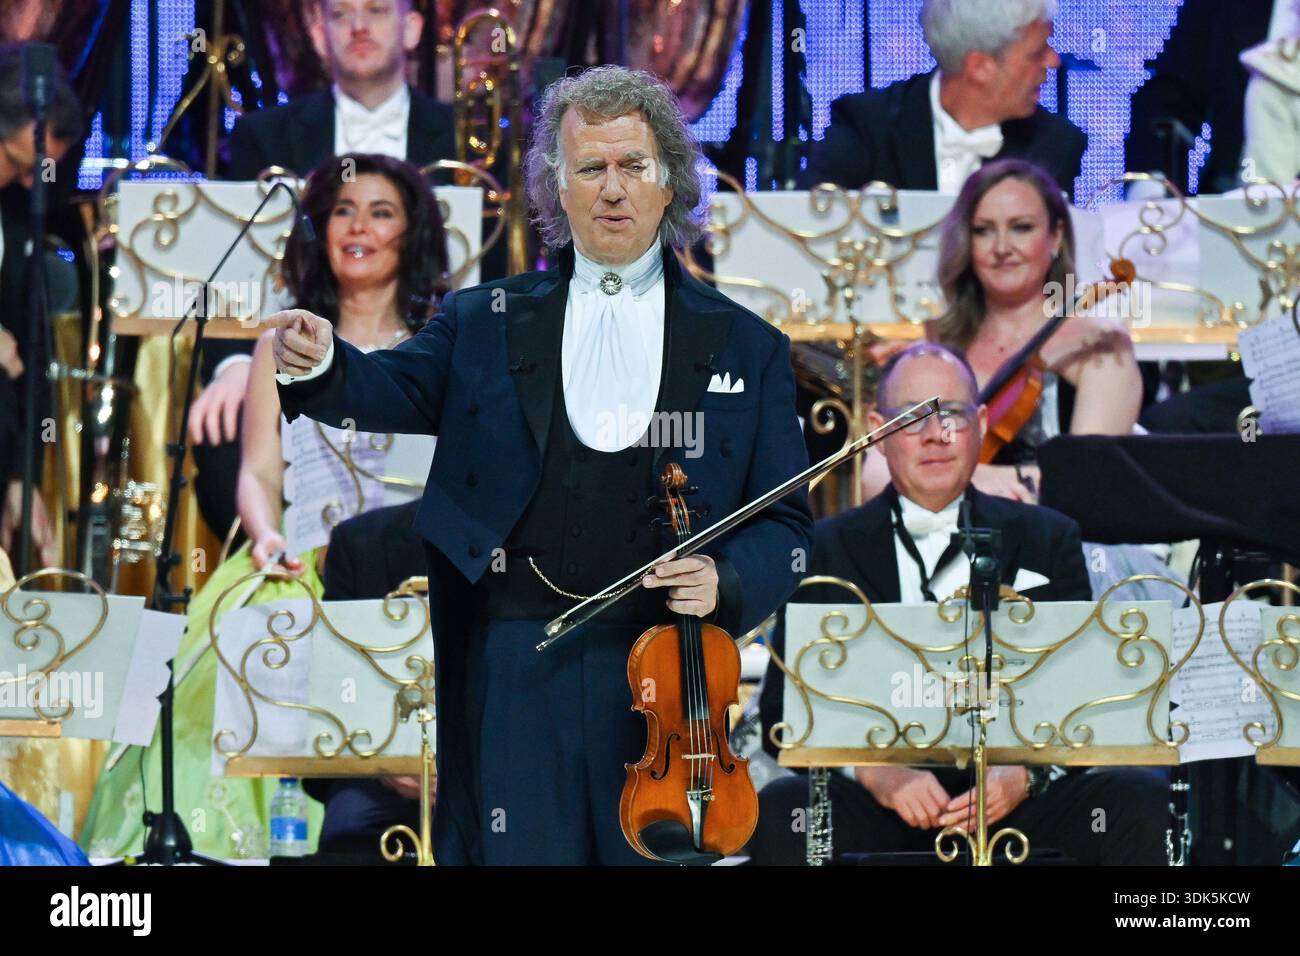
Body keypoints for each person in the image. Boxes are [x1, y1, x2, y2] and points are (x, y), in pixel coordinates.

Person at [269, 65, 814, 865]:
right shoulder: (483, 320)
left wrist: (728, 581)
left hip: (669, 674)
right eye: (590, 169)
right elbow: (386, 389)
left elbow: (788, 524)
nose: (613, 189)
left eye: (634, 165)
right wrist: (320, 365)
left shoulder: (750, 345)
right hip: (517, 658)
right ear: (557, 190)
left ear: (671, 182)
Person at [79, 153, 449, 859]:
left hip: (409, 579)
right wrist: (267, 536)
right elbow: (256, 472)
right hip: (299, 566)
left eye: (381, 211)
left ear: (413, 232)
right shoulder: (278, 348)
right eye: (342, 210)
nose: (358, 227)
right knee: (235, 670)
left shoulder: (442, 344)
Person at [749, 342, 1168, 866]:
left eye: (951, 413)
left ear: (982, 423)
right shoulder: (825, 548)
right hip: (884, 807)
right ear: (877, 432)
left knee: (1138, 801)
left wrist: (1024, 777)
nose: (935, 433)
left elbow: (1081, 697)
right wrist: (878, 775)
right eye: (911, 417)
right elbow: (780, 712)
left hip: (1017, 802)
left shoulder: (1047, 537)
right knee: (787, 810)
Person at [192, 0, 457, 543]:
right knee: (226, 432)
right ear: (317, 32)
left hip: (423, 338)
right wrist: (237, 364)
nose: (359, 27)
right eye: (341, 15)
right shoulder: (263, 135)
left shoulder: (460, 135)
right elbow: (239, 265)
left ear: (411, 28)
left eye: (377, 11)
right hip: (294, 337)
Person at [864, 158, 1142, 506]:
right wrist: (981, 479)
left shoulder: (1098, 347)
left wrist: (956, 477)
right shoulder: (935, 343)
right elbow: (875, 476)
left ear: (1055, 237)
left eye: (1021, 227)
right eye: (983, 230)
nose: (1001, 248)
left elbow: (1086, 483)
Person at [803, 0, 1085, 198]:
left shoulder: (1056, 145)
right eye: (1037, 53)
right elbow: (806, 227)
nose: (1054, 61)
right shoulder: (866, 126)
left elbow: (1057, 269)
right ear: (980, 67)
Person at [0, 43, 82, 568]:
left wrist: (15, 474)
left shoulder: (15, 218)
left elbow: (23, 355)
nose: (31, 184)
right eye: (15, 162)